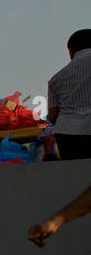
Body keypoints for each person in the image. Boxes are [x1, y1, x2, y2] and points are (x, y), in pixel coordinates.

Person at [47, 29, 91, 162]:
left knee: (77, 178)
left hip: (68, 136)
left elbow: (53, 116)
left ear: (71, 52)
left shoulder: (55, 79)